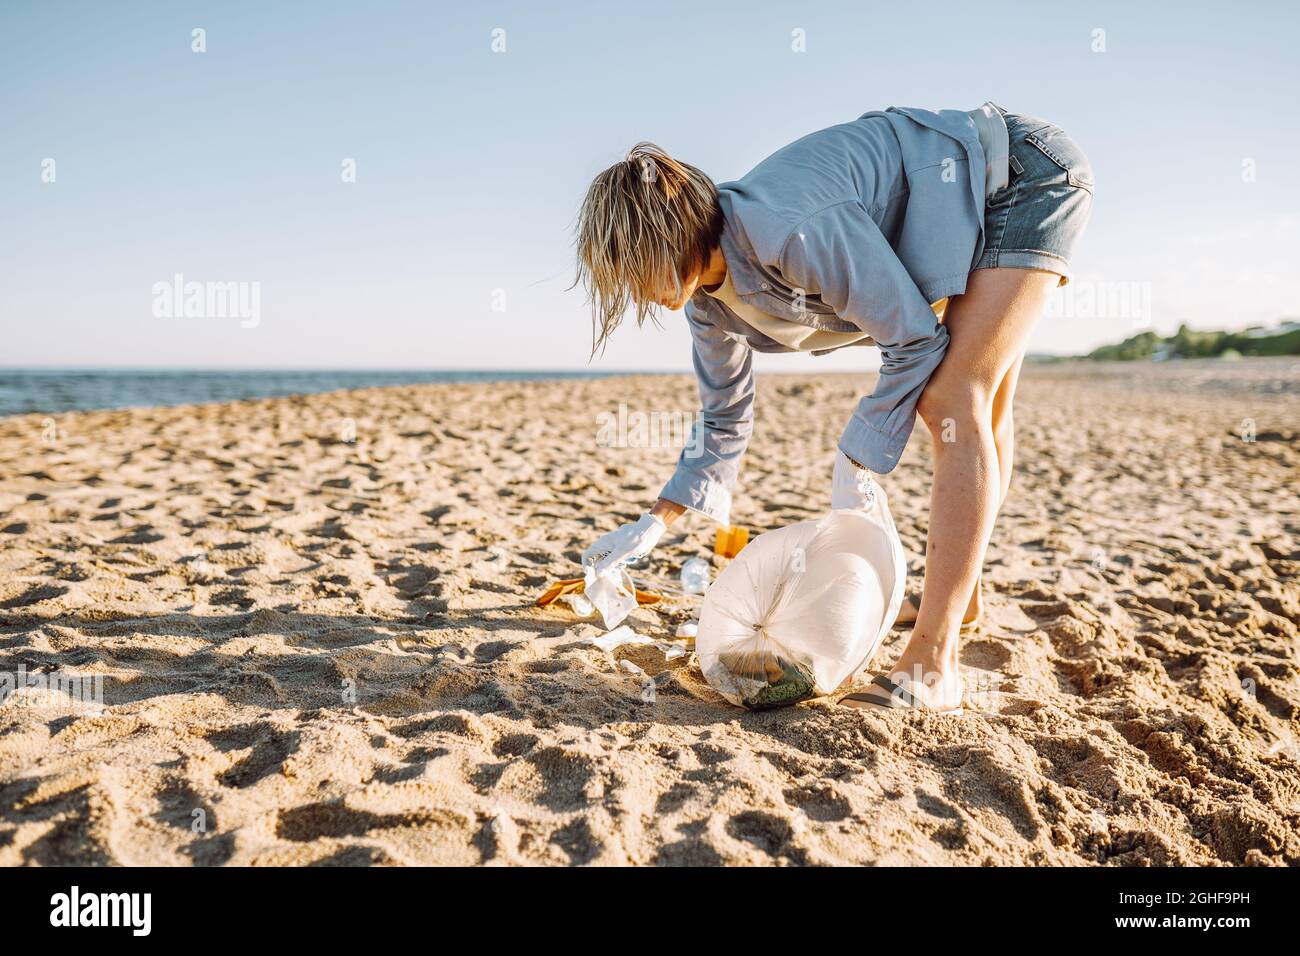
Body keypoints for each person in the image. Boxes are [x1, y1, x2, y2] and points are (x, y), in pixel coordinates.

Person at [574, 103, 1093, 712]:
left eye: (633, 266)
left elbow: (911, 340)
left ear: (670, 233)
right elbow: (723, 418)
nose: (632, 289)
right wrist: (655, 523)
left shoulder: (788, 228)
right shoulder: (706, 307)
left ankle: (933, 662)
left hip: (1015, 175)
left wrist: (858, 456)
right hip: (967, 198)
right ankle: (959, 600)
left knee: (955, 398)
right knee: (983, 405)